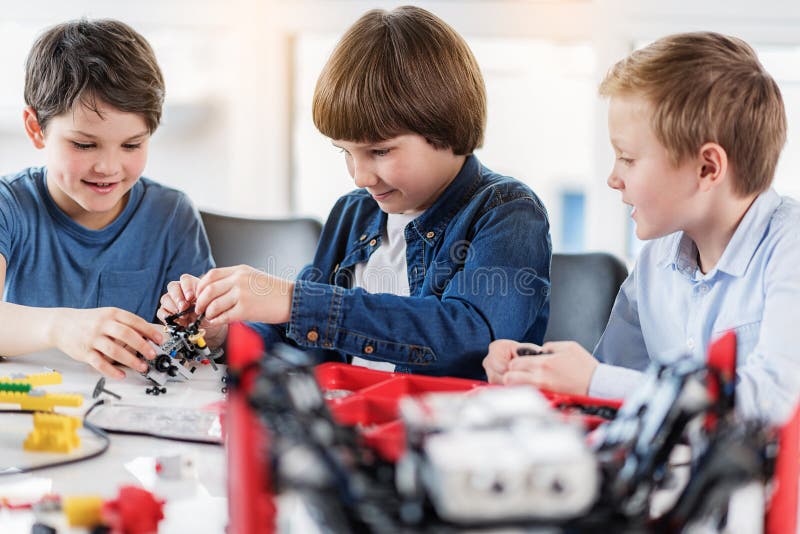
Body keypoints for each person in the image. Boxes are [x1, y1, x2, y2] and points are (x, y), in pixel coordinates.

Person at [158, 6, 551, 380]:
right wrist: (222, 335)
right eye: (345, 152)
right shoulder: (353, 213)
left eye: (380, 151)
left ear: (445, 125)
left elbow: (470, 338)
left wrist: (296, 301)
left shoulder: (508, 212)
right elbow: (302, 343)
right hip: (348, 420)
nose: (360, 177)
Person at [483, 31, 799, 423]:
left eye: (628, 158)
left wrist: (595, 380)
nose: (613, 178)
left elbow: (773, 401)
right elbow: (613, 386)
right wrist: (537, 372)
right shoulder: (656, 260)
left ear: (707, 168)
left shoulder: (789, 249)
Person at [0, 19, 214, 379]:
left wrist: (205, 328)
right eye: (84, 144)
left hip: (130, 403)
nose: (108, 167)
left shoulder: (172, 215)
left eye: (131, 145)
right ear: (36, 129)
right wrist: (60, 326)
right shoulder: (8, 205)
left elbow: (200, 344)